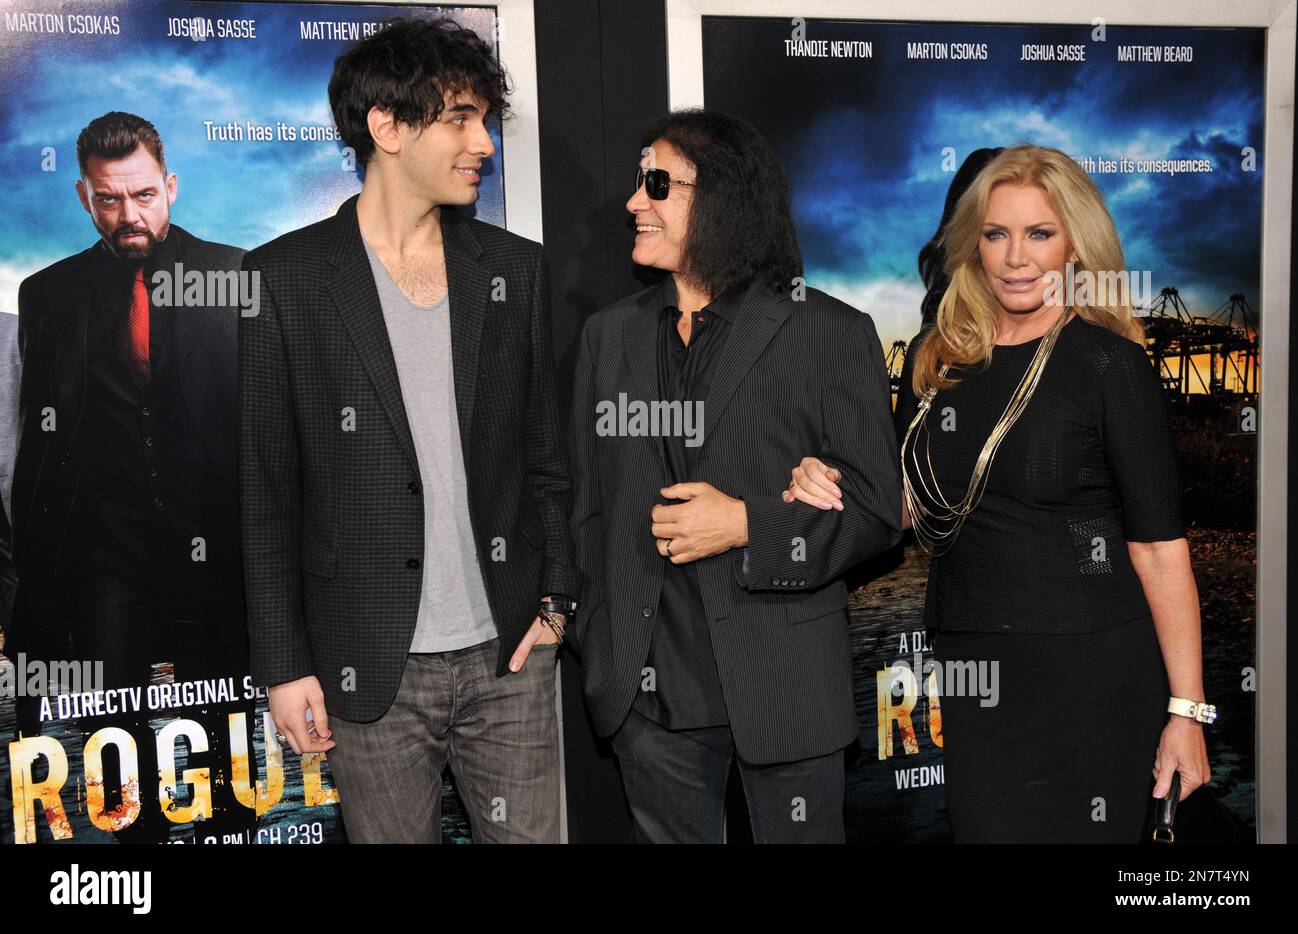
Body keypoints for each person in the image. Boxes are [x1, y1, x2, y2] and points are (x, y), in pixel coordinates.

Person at [785, 144, 1213, 843]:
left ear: (1076, 244)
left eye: (1039, 233)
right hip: (975, 668)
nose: (1017, 256)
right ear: (973, 244)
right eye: (997, 233)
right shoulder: (937, 359)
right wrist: (825, 479)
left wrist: (1187, 711)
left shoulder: (1110, 366)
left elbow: (1162, 552)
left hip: (1093, 674)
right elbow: (904, 505)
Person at [239, 17, 579, 844]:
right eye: (460, 119)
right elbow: (265, 495)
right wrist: (284, 667)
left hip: (511, 656)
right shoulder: (281, 280)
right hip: (368, 668)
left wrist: (557, 607)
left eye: (485, 121)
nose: (483, 145)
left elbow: (548, 460)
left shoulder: (513, 271)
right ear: (386, 127)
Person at [567, 109, 901, 843]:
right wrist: (597, 641)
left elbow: (879, 511)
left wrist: (748, 525)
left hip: (784, 688)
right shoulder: (608, 337)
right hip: (647, 705)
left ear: (722, 200)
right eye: (636, 182)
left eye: (658, 183)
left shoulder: (830, 333)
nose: (633, 202)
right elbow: (586, 508)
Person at [10, 111, 252, 841]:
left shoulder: (238, 276)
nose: (129, 215)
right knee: (115, 754)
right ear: (85, 196)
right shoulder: (48, 296)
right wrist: (27, 588)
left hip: (218, 554)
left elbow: (270, 435)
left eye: (143, 195)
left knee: (228, 755)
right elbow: (38, 447)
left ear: (171, 186)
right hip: (106, 559)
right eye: (110, 199)